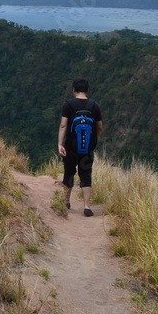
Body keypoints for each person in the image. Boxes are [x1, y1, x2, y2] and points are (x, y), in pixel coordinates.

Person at [57, 79, 103, 217]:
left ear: (74, 89)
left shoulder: (68, 105)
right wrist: (93, 139)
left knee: (69, 172)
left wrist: (60, 144)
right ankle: (87, 206)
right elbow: (99, 127)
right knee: (86, 174)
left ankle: (66, 201)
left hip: (71, 147)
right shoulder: (94, 106)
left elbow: (63, 125)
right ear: (87, 90)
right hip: (87, 148)